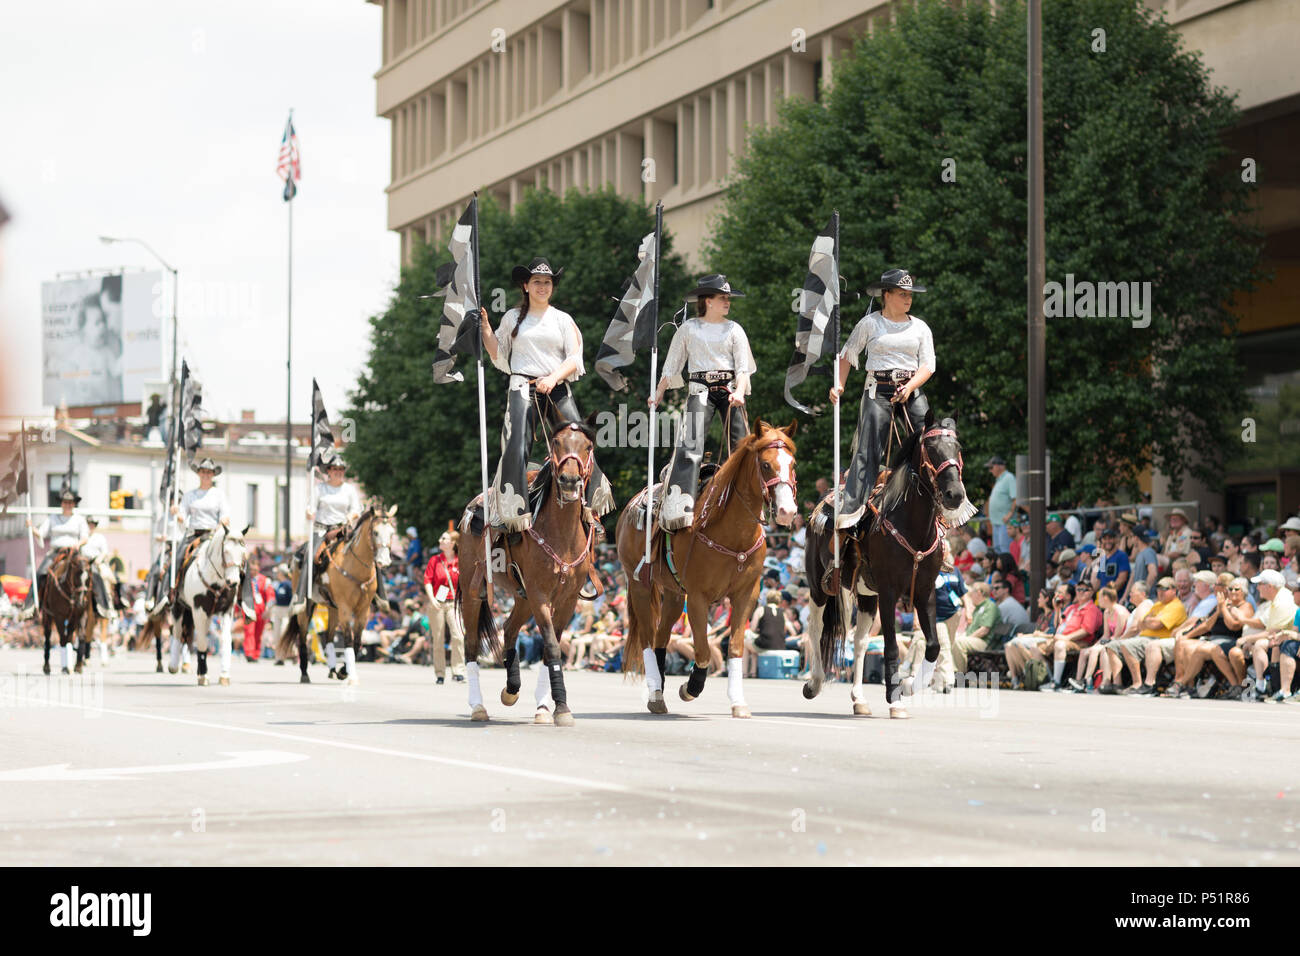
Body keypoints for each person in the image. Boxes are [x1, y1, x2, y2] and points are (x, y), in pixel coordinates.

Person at [480, 257, 614, 538]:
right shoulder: (512, 318)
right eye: (537, 281)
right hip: (522, 386)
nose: (543, 286)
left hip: (556, 385)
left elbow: (575, 358)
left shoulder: (563, 319)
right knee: (517, 443)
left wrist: (552, 378)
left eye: (548, 282)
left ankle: (591, 510)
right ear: (526, 286)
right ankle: (512, 514)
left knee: (580, 436)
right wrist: (485, 329)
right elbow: (498, 353)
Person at [829, 269, 935, 528]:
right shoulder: (869, 323)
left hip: (911, 388)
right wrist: (838, 385)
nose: (908, 299)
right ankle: (852, 508)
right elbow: (847, 354)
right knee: (868, 448)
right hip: (878, 390)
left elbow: (928, 365)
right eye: (902, 294)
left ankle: (943, 506)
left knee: (931, 442)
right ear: (886, 295)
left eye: (910, 295)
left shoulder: (920, 327)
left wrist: (910, 387)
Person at [652, 274, 757, 531]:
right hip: (699, 388)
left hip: (731, 388)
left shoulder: (735, 329)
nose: (727, 302)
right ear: (707, 300)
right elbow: (672, 365)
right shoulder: (689, 329)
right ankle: (681, 505)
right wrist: (658, 393)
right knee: (691, 445)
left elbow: (743, 369)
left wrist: (740, 392)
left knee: (744, 445)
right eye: (722, 298)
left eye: (728, 298)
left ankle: (751, 502)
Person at [18, 487, 90, 619]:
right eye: (65, 502)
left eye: (70, 502)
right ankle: (30, 606)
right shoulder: (52, 518)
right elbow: (41, 534)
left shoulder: (79, 520)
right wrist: (31, 527)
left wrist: (78, 544)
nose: (68, 505)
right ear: (61, 503)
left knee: (89, 573)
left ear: (73, 504)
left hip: (73, 553)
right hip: (56, 553)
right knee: (40, 573)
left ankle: (96, 605)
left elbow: (85, 537)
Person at [1112, 577, 1187, 695]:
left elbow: (1156, 624)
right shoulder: (1157, 605)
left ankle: (1145, 684)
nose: (1160, 592)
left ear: (1174, 590)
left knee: (1130, 644)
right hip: (1145, 637)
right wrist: (1150, 621)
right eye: (1158, 589)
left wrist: (1150, 621)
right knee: (1113, 646)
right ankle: (1118, 684)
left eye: (1165, 589)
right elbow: (1141, 623)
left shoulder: (1176, 606)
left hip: (1161, 638)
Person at [423, 529, 466, 684]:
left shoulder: (460, 560)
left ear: (453, 543)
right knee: (438, 639)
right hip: (437, 604)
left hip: (454, 603)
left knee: (458, 636)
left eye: (444, 538)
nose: (440, 540)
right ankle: (440, 673)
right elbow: (427, 580)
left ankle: (458, 671)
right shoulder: (435, 560)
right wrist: (432, 599)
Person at [1069, 586, 1128, 693]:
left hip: (1120, 641)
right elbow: (1106, 635)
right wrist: (1095, 645)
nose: (1098, 601)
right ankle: (1078, 681)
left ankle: (1087, 680)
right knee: (1085, 651)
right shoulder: (1106, 612)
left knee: (1094, 651)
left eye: (1099, 598)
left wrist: (1098, 646)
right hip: (1110, 640)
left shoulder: (1120, 612)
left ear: (1105, 598)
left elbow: (1118, 635)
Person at [80, 515, 116, 618]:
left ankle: (108, 605)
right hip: (82, 563)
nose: (90, 527)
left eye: (92, 525)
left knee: (106, 577)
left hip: (96, 562)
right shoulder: (81, 537)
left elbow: (105, 551)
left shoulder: (100, 537)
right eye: (88, 524)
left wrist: (99, 559)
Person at [985, 456, 1017, 553]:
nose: (990, 471)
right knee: (999, 550)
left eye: (992, 467)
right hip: (997, 523)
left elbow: (1016, 498)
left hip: (1005, 523)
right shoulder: (999, 480)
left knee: (1005, 550)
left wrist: (1010, 514)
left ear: (1000, 466)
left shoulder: (1009, 477)